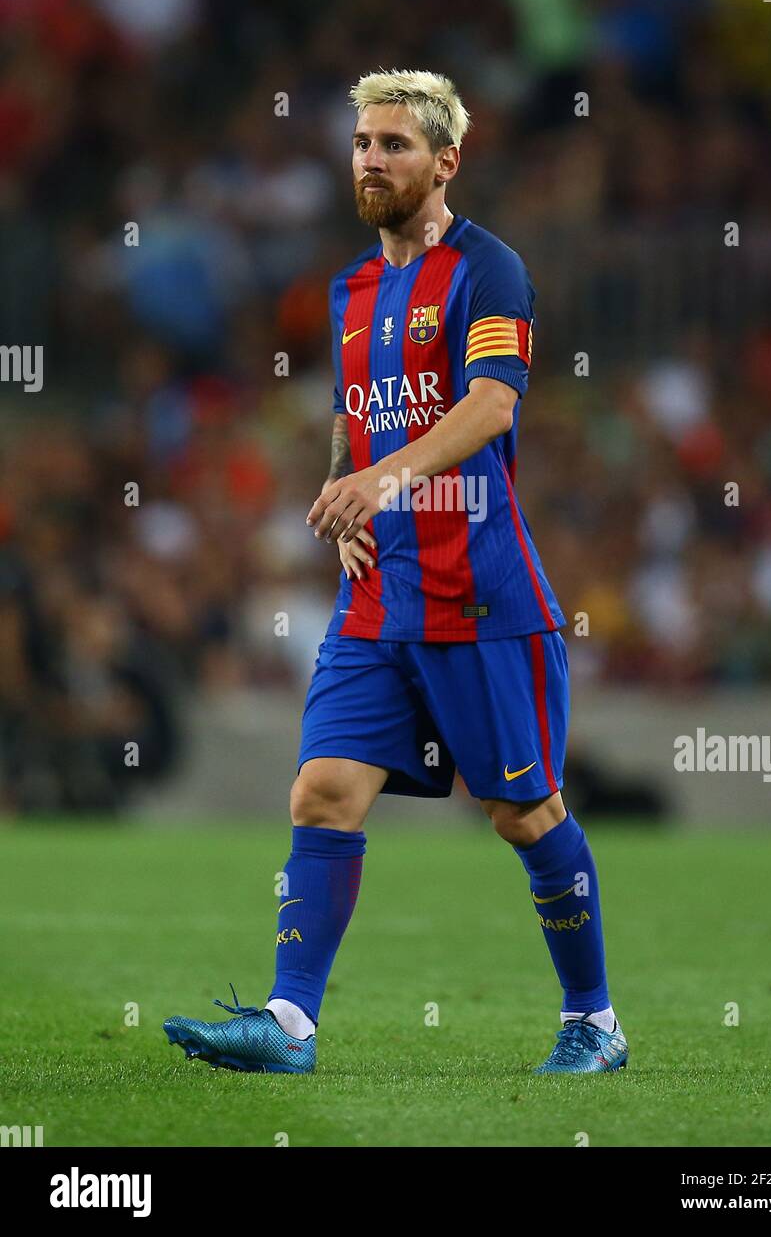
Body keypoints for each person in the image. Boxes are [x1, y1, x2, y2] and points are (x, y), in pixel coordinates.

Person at [164, 70, 627, 1076]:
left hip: (479, 593)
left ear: (443, 161)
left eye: (395, 145)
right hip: (377, 594)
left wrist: (380, 476)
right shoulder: (349, 288)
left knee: (520, 814)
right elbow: (355, 412)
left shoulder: (486, 269)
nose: (371, 159)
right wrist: (343, 496)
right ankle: (289, 1025)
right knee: (323, 789)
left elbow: (491, 406)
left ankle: (592, 1020)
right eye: (363, 143)